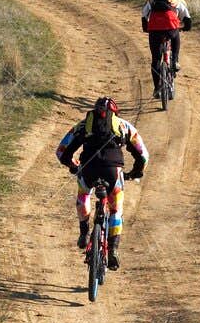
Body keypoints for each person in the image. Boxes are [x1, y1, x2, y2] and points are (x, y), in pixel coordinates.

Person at [55, 96, 148, 270]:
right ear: (115, 113)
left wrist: (73, 165)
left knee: (83, 195)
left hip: (88, 169)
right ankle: (112, 249)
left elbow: (61, 152)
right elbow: (143, 155)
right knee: (116, 209)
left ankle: (84, 232)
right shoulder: (123, 126)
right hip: (113, 171)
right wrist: (136, 172)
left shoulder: (83, 125)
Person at [140, 0, 192, 98]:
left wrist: (146, 27)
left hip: (154, 29)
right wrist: (186, 27)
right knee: (175, 34)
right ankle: (175, 61)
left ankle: (157, 88)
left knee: (156, 59)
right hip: (170, 27)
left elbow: (144, 14)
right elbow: (187, 17)